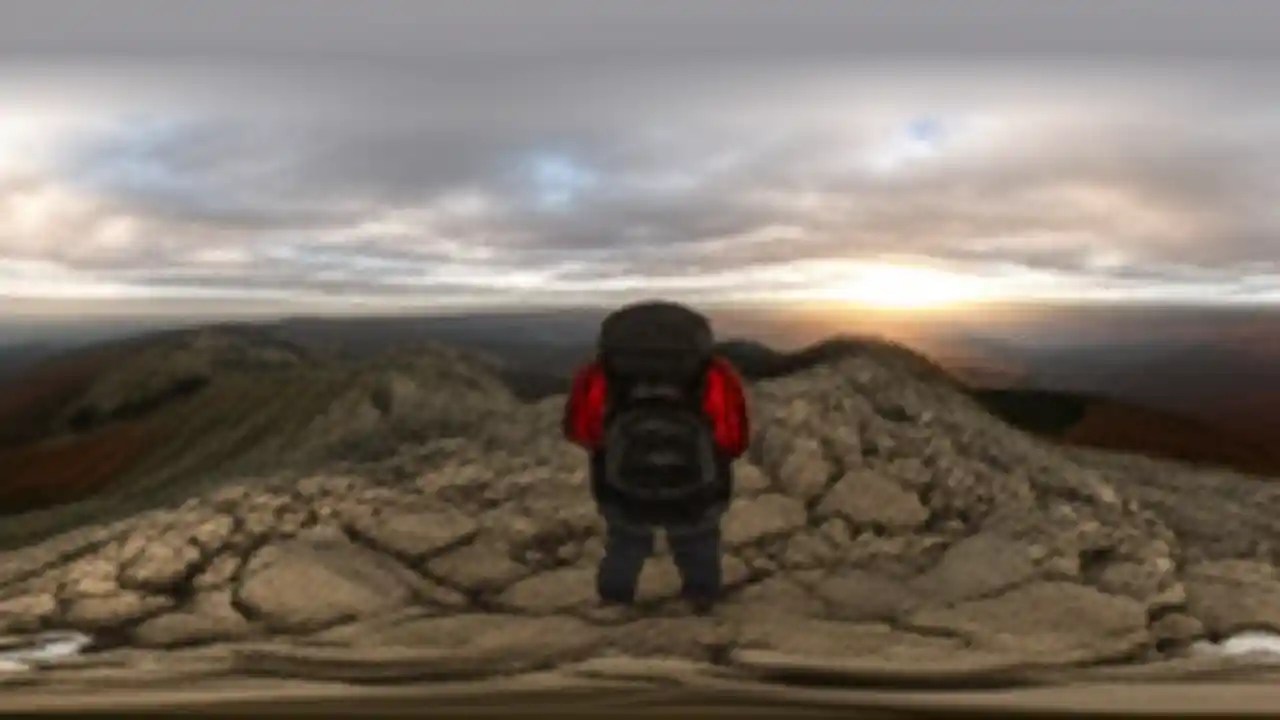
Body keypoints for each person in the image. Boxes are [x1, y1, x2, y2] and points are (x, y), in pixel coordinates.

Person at [562, 300, 749, 613]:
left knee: (625, 542)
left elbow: (580, 429)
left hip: (620, 485)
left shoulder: (602, 372)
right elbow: (733, 436)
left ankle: (614, 604)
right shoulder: (714, 373)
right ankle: (701, 603)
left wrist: (611, 449)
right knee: (698, 541)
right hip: (699, 486)